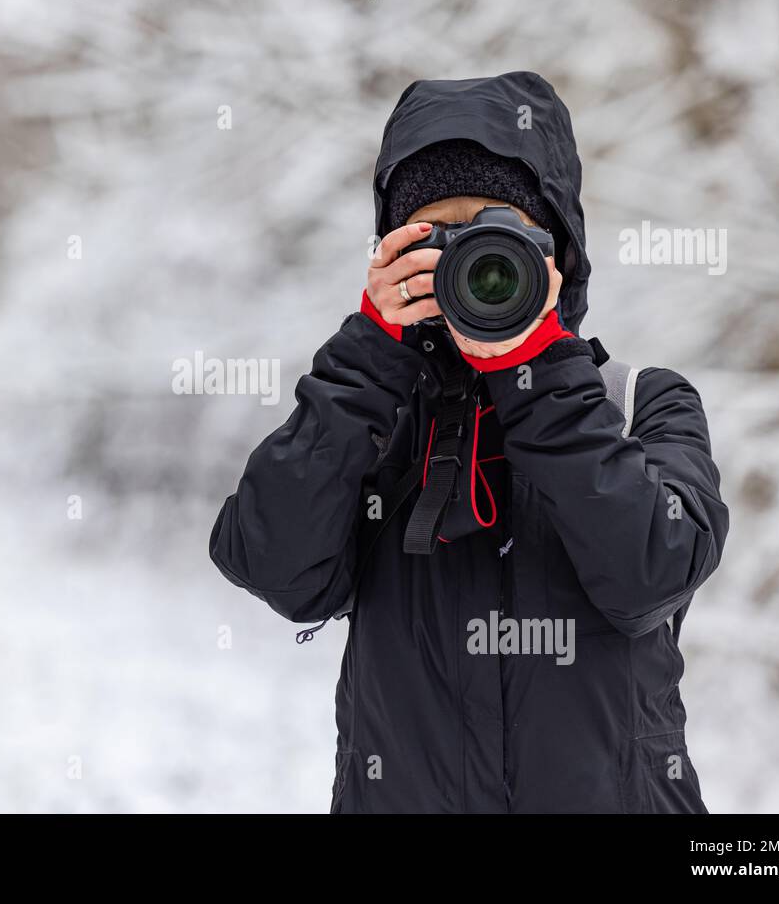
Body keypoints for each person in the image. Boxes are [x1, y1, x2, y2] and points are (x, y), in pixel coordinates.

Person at [208, 72, 730, 813]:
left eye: (494, 237)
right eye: (433, 240)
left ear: (557, 251)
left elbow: (651, 575)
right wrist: (368, 356)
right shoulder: (375, 417)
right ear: (391, 252)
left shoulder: (640, 404)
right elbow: (272, 565)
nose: (470, 268)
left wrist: (538, 372)